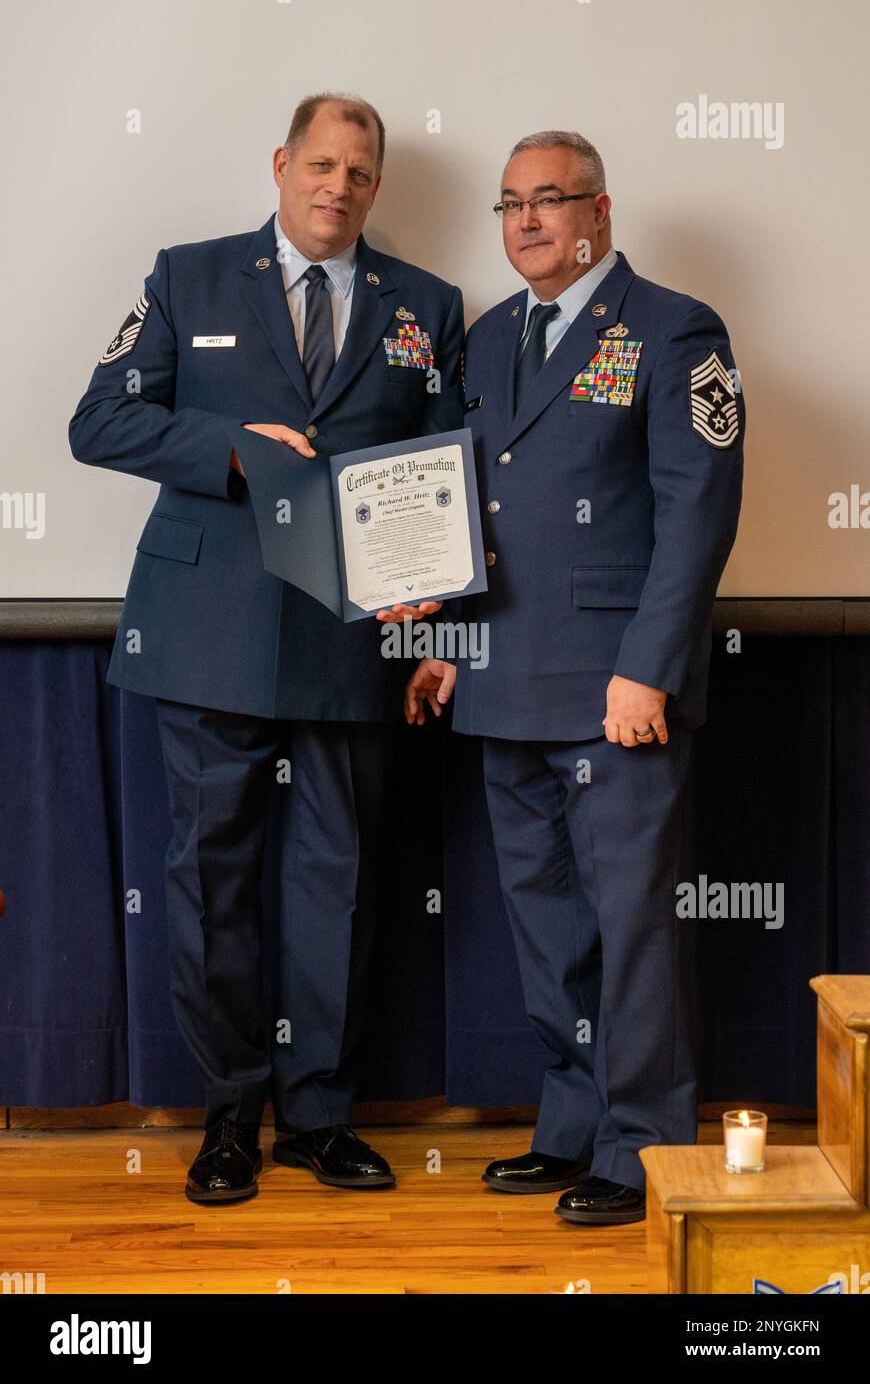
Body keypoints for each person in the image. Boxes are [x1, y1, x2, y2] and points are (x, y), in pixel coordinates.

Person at [69, 92, 463, 1204]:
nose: (340, 186)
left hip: (352, 637)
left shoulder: (426, 304)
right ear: (282, 165)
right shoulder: (185, 277)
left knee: (337, 885)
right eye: (322, 165)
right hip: (205, 634)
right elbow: (100, 419)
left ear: (377, 187)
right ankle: (229, 1116)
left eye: (362, 172)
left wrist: (431, 606)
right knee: (210, 886)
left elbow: (446, 464)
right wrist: (233, 449)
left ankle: (322, 1118)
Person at [404, 130, 744, 1226]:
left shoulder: (676, 329)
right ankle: (573, 1122)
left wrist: (646, 670)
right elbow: (467, 510)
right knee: (547, 923)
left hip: (616, 695)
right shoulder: (492, 333)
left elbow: (698, 518)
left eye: (550, 199)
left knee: (633, 923)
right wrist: (446, 645)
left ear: (602, 209)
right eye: (510, 203)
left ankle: (643, 1144)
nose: (527, 221)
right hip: (503, 680)